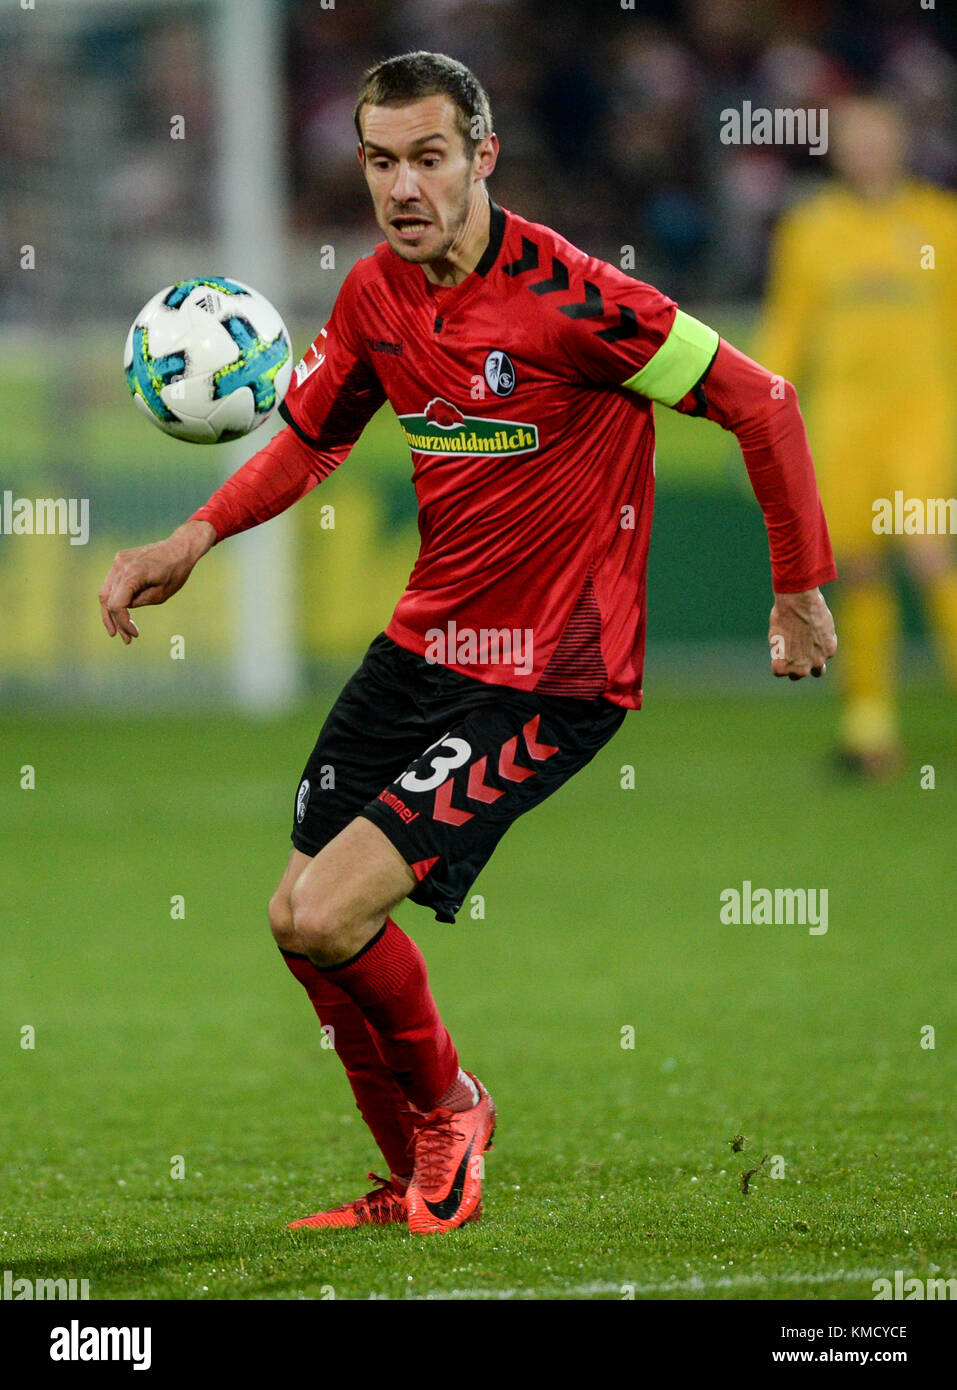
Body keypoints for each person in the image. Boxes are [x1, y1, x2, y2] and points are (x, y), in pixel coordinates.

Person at [99, 51, 837, 1235]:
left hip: (553, 674)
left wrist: (799, 588)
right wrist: (196, 535)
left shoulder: (578, 298)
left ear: (482, 156)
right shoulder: (375, 298)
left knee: (327, 914)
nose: (403, 188)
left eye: (429, 159)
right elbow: (308, 434)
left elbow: (764, 401)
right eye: (381, 162)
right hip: (421, 652)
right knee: (300, 922)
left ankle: (456, 1107)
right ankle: (413, 1174)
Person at [755, 95, 957, 779]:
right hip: (842, 416)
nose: (868, 152)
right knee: (857, 566)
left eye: (880, 138)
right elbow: (788, 327)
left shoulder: (939, 222)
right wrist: (756, 410)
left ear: (901, 144)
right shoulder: (809, 229)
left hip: (922, 411)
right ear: (838, 150)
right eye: (856, 141)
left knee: (929, 554)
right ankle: (868, 727)